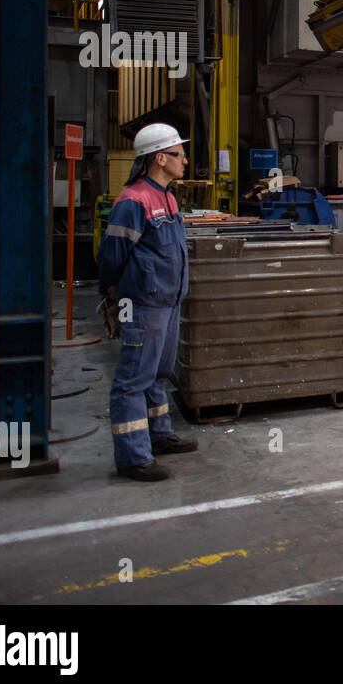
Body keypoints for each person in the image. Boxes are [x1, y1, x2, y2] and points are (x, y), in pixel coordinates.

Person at [97, 122, 198, 481]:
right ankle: (133, 457)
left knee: (158, 374)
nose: (184, 160)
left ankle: (159, 435)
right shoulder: (133, 200)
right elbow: (111, 255)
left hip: (169, 301)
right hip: (143, 303)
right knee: (133, 379)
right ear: (159, 158)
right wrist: (112, 292)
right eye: (178, 154)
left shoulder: (168, 197)